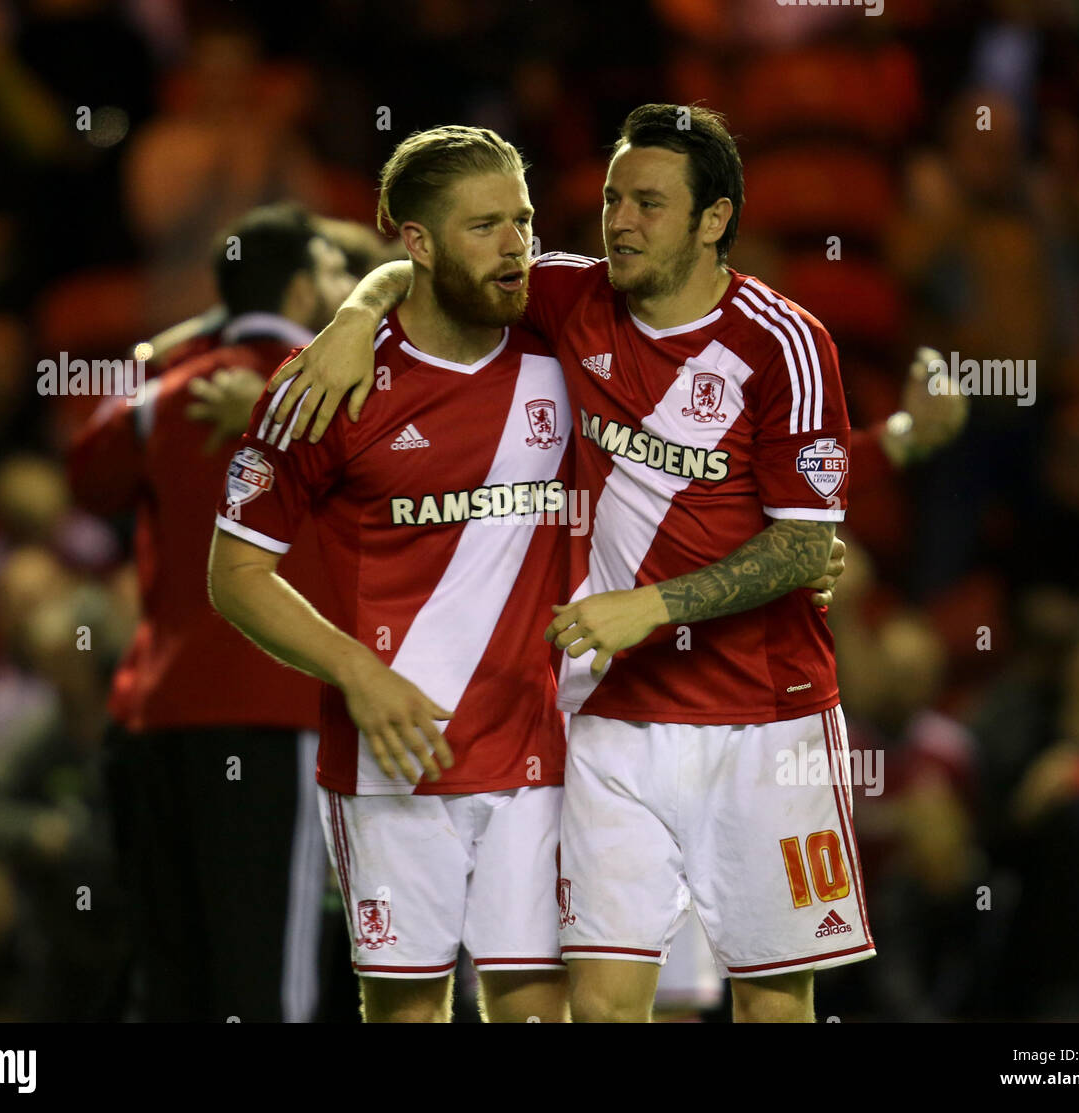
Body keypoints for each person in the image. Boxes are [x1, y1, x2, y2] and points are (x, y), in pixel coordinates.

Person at [264, 105, 877, 1023]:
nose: (620, 222)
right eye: (611, 199)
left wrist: (655, 605)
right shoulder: (569, 298)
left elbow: (802, 543)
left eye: (651, 205)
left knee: (776, 1007)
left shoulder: (784, 344)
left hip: (767, 717)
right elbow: (436, 262)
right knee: (593, 1007)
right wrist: (356, 313)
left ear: (714, 221)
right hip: (612, 721)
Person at [207, 127, 578, 1023]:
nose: (516, 247)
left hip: (544, 748)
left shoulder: (564, 339)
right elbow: (236, 573)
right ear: (417, 240)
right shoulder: (328, 385)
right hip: (392, 763)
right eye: (486, 225)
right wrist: (357, 672)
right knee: (408, 1011)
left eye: (523, 221)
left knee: (534, 1007)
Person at [68, 202, 357, 1022]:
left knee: (173, 982)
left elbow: (87, 473)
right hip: (276, 716)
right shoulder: (343, 391)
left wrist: (181, 346)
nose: (346, 288)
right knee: (268, 984)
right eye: (333, 271)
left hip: (156, 719)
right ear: (301, 285)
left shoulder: (166, 396)